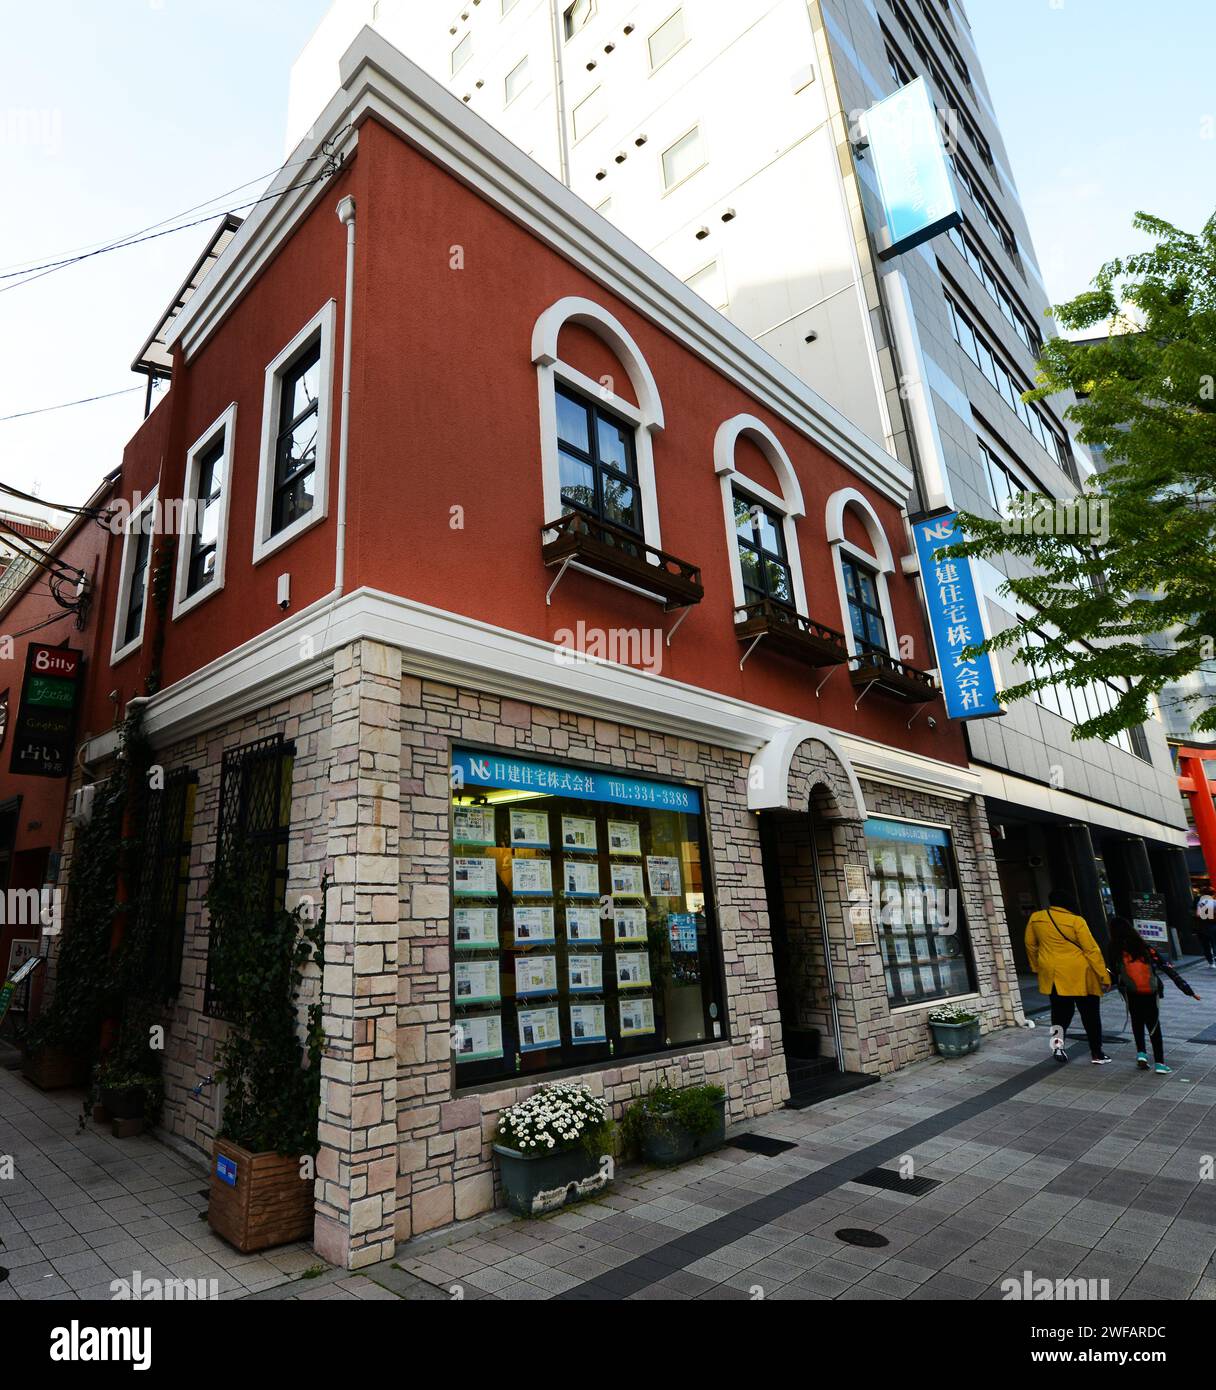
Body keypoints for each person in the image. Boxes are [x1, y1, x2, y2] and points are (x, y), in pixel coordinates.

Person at [1025, 888, 1112, 1065]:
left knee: (1059, 1014)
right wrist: (1104, 976)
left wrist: (1037, 966)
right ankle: (1097, 1053)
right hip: (1081, 975)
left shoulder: (1037, 917)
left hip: (1054, 976)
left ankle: (1057, 1046)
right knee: (1090, 1015)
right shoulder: (1076, 921)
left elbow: (1030, 945)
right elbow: (1091, 950)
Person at [1109, 915, 1201, 1074]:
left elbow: (1114, 973)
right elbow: (1167, 968)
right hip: (1150, 992)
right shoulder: (1144, 946)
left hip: (1130, 992)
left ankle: (1141, 1054)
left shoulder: (1114, 949)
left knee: (1137, 1021)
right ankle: (1160, 1063)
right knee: (1153, 1025)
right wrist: (1188, 990)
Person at [1194, 887, 1216, 969]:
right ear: (1213, 894)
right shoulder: (1214, 902)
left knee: (1206, 945)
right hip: (1213, 925)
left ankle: (1211, 962)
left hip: (1202, 926)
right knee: (1214, 943)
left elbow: (1197, 915)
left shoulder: (1200, 902)